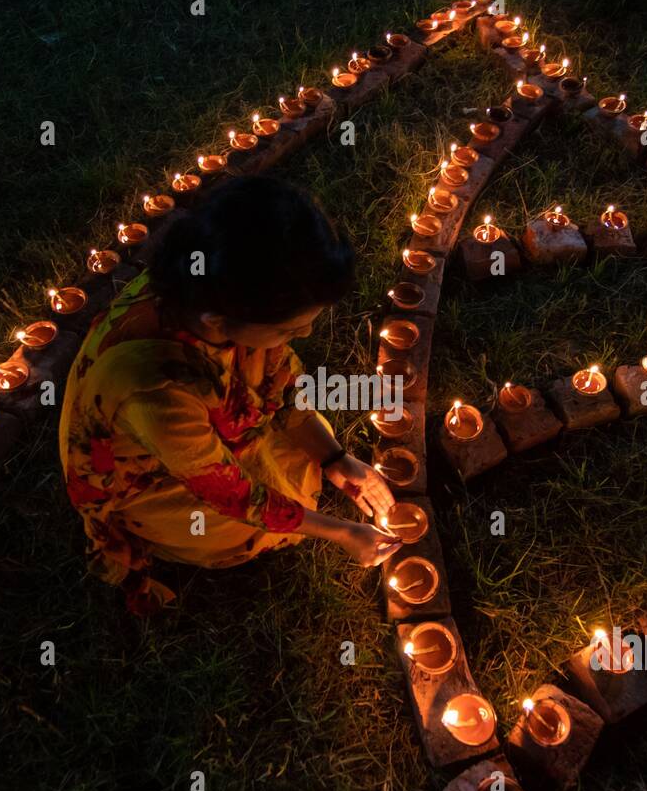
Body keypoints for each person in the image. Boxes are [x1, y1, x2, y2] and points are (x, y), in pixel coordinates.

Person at [59, 176, 401, 613]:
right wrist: (343, 533)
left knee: (308, 460)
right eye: (288, 328)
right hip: (145, 473)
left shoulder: (215, 281)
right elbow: (235, 497)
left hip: (200, 425)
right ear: (217, 320)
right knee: (241, 529)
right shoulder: (155, 386)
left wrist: (336, 458)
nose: (305, 333)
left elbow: (285, 388)